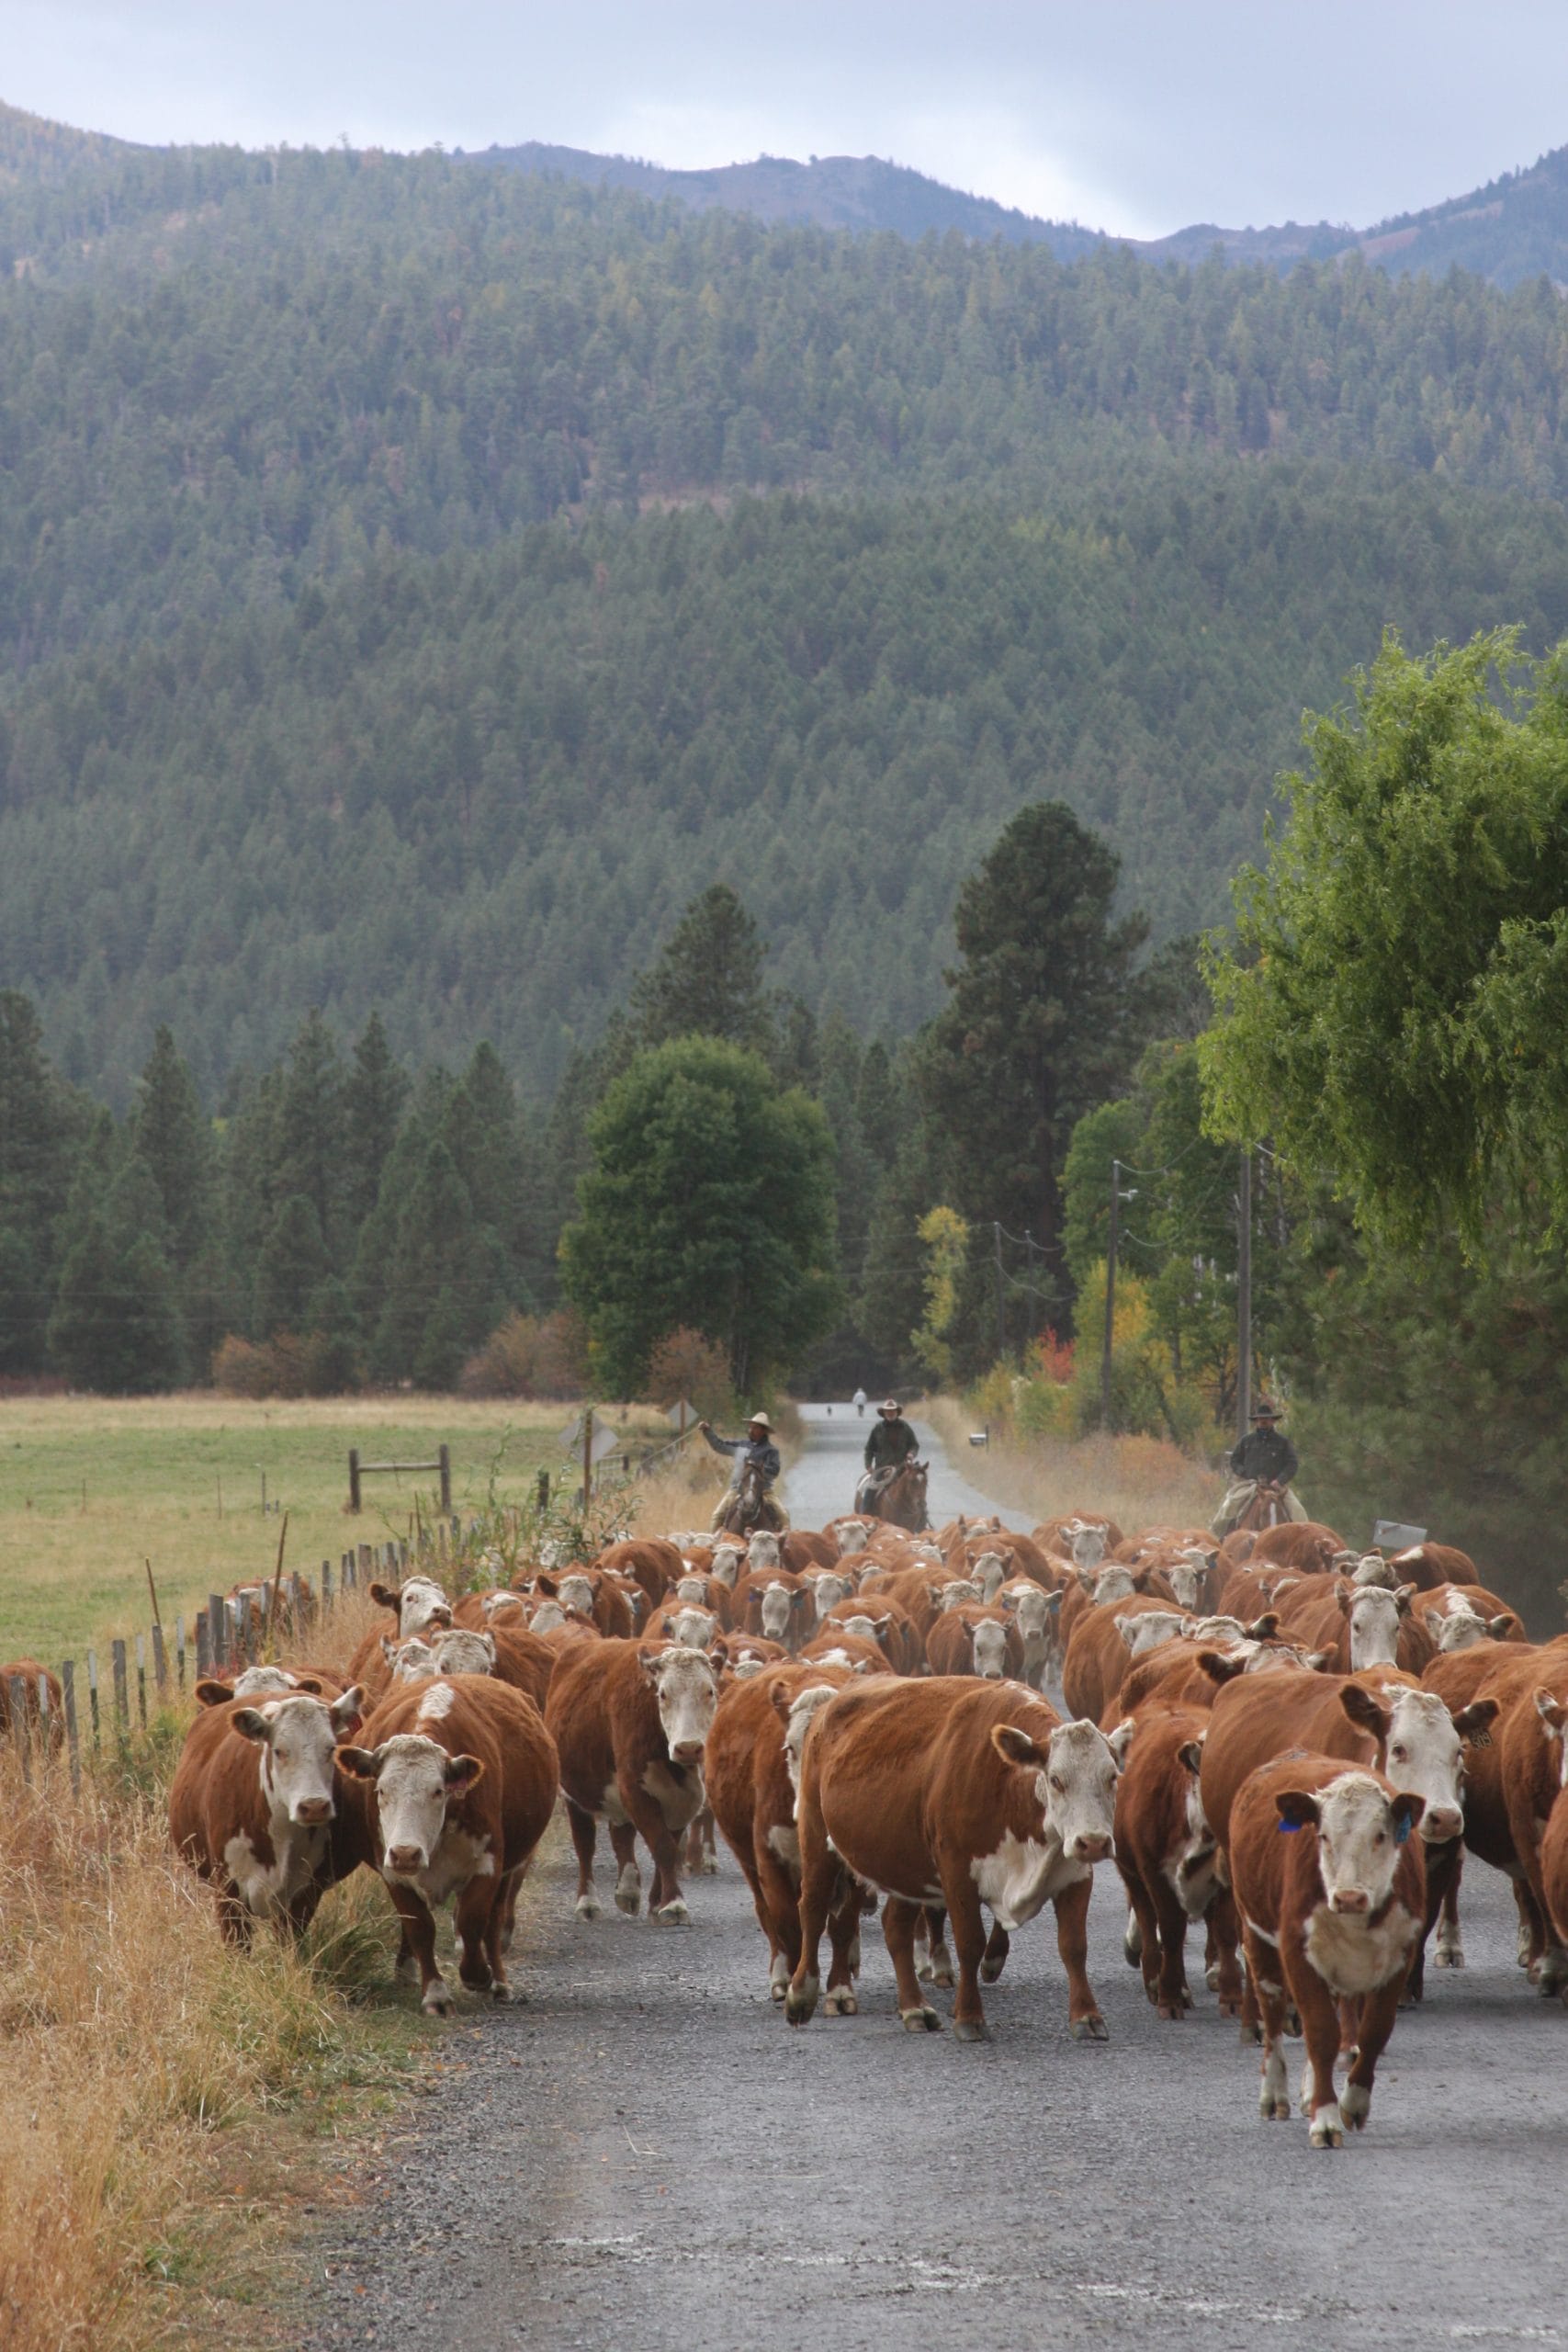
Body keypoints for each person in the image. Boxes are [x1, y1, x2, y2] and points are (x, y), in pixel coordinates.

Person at [1212, 1399, 1307, 1537]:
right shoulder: (1246, 1441)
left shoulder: (1283, 1442)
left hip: (1277, 1487)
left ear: (1272, 1421)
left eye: (1266, 1419)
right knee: (1230, 1505)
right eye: (1260, 1419)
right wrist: (1244, 1473)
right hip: (1250, 1485)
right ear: (1256, 1421)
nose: (1263, 1421)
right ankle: (1220, 1540)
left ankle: (1302, 1542)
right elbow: (1235, 1460)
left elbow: (1292, 1464)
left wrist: (1279, 1480)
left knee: (1298, 1511)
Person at [699, 1408, 784, 1532]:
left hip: (764, 1492)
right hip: (737, 1489)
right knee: (717, 1516)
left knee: (783, 1516)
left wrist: (760, 1468)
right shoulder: (741, 1445)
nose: (751, 1430)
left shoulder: (771, 1450)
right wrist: (707, 1431)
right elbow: (719, 1445)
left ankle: (785, 1546)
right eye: (750, 1427)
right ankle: (714, 1545)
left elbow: (774, 1471)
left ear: (763, 1431)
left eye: (755, 1428)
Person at [856, 1397, 919, 1512]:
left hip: (902, 1467)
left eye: (892, 1411)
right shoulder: (877, 1428)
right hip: (882, 1468)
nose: (890, 1413)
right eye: (887, 1411)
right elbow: (869, 1449)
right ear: (884, 1413)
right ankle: (863, 1515)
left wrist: (911, 1453)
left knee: (916, 1489)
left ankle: (922, 1521)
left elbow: (914, 1445)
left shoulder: (905, 1427)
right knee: (870, 1489)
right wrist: (869, 1465)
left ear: (897, 1412)